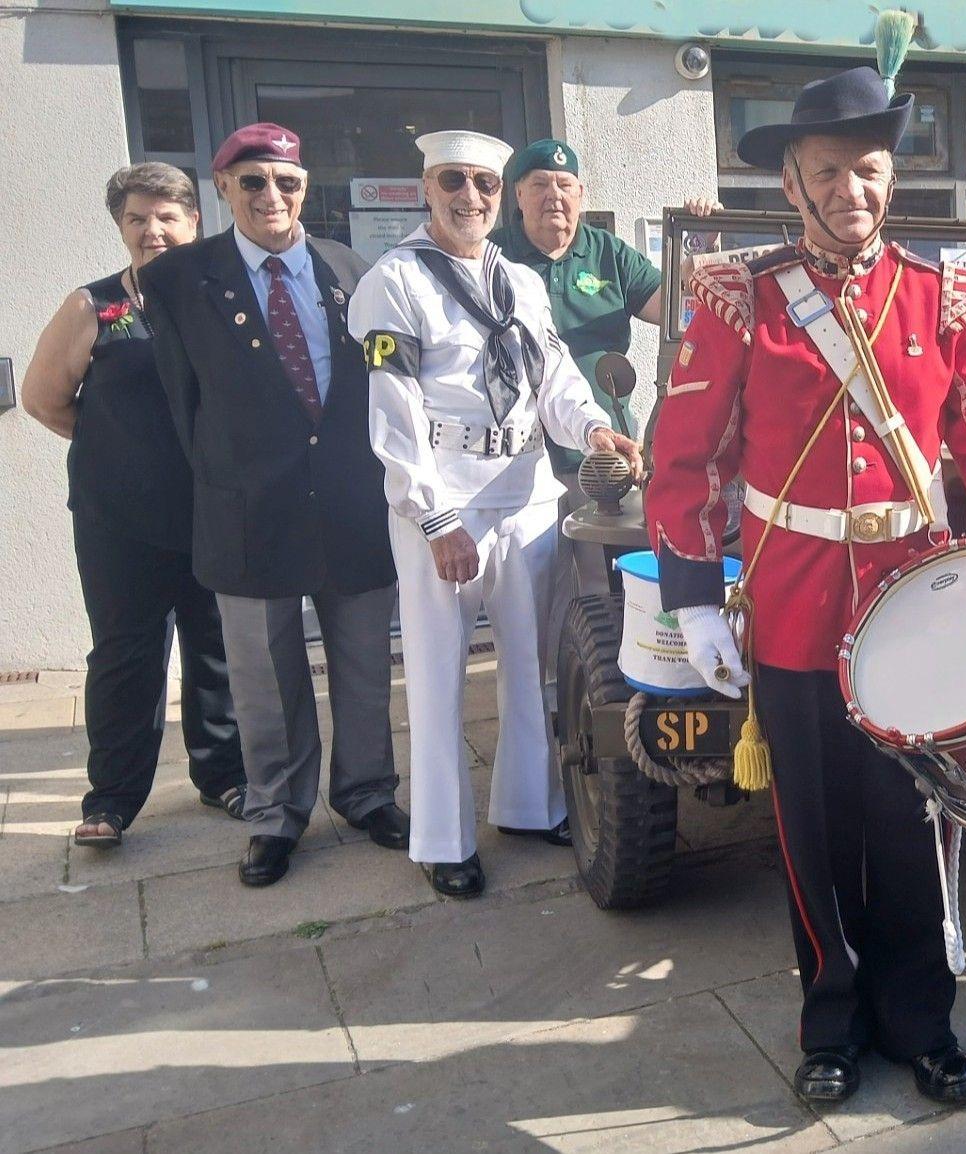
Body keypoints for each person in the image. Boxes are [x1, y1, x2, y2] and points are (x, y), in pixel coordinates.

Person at [647, 66, 966, 1106]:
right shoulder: (741, 292)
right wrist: (695, 590)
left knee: (913, 823)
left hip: (910, 603)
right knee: (815, 826)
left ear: (893, 177)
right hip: (794, 600)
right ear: (792, 182)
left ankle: (921, 1020)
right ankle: (831, 1020)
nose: (853, 191)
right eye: (830, 172)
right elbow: (690, 454)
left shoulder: (942, 289)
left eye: (869, 171)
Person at [349, 130, 644, 898]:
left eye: (483, 183)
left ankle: (527, 804)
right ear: (428, 188)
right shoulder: (395, 281)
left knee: (533, 664)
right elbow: (394, 409)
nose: (471, 198)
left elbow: (555, 381)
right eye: (455, 181)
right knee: (440, 673)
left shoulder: (521, 280)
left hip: (527, 492)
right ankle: (443, 838)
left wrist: (594, 430)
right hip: (445, 503)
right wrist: (435, 518)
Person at [144, 123, 406, 888]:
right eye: (252, 181)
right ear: (220, 188)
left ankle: (366, 795)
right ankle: (275, 815)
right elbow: (180, 403)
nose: (271, 196)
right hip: (248, 508)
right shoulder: (178, 279)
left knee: (365, 663)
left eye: (286, 183)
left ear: (304, 190)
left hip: (353, 503)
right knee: (265, 676)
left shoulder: (354, 269)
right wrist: (228, 482)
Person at [21, 163, 245, 849]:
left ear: (193, 223)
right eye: (137, 219)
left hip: (210, 514)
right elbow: (44, 399)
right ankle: (111, 800)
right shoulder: (95, 308)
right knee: (125, 658)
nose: (153, 231)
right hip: (118, 524)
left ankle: (224, 776)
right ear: (122, 228)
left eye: (166, 217)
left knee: (217, 650)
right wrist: (120, 453)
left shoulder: (222, 298)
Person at [489, 140, 702, 624]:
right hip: (519, 457)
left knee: (603, 585)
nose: (554, 196)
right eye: (539, 184)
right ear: (517, 195)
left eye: (565, 185)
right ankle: (547, 687)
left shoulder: (607, 254)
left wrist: (696, 247)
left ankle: (593, 685)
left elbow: (670, 312)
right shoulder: (492, 255)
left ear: (581, 193)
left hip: (602, 454)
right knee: (531, 593)